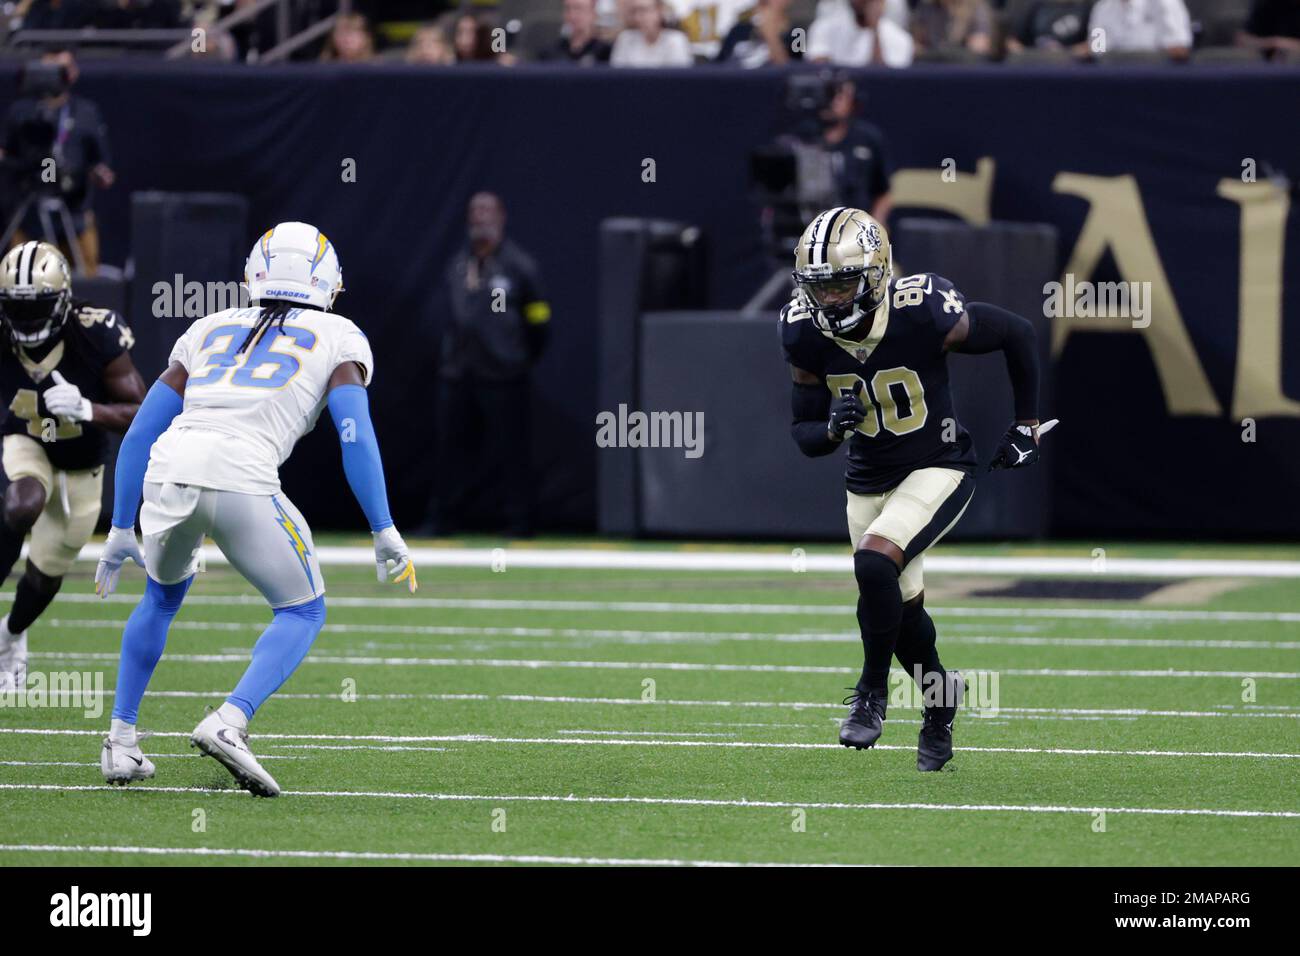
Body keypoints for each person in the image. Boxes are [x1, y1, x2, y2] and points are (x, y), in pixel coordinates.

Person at [93, 222, 417, 797]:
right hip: (241, 476)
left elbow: (142, 430)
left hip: (169, 472)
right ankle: (230, 720)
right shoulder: (339, 333)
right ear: (327, 282)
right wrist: (383, 526)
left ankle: (120, 743)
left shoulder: (209, 326)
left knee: (160, 599)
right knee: (303, 611)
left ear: (255, 274)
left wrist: (120, 523)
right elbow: (354, 432)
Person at [780, 207, 1047, 770]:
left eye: (842, 284)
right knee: (902, 620)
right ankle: (940, 699)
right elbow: (804, 436)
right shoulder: (802, 330)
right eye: (819, 288)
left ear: (876, 275)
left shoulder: (920, 310)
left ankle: (871, 694)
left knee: (875, 566)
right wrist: (832, 427)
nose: (829, 301)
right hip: (866, 481)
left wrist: (1026, 426)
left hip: (938, 464)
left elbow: (1017, 333)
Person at [0, 241, 144, 690]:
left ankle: (10, 637)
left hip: (83, 463)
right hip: (27, 441)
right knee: (22, 503)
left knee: (46, 571)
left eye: (36, 308)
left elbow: (141, 410)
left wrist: (89, 410)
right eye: (14, 308)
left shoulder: (96, 331)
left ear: (63, 300)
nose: (24, 321)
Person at [426, 193, 550, 538]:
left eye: (487, 210)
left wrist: (519, 357)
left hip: (503, 375)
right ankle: (443, 518)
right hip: (458, 373)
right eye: (474, 211)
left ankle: (520, 521)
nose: (480, 217)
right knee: (449, 449)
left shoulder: (519, 265)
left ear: (502, 216)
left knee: (512, 451)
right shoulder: (457, 264)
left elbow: (540, 320)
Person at [0, 50, 115, 276]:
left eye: (58, 70)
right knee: (20, 275)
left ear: (71, 74)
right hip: (28, 206)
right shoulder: (20, 112)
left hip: (74, 208)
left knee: (87, 279)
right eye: (46, 70)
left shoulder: (86, 112)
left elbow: (100, 163)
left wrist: (100, 173)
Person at [808, 0, 914, 66]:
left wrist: (875, 30)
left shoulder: (900, 39)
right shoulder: (824, 27)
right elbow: (818, 69)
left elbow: (886, 82)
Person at [1086, 0, 1191, 59]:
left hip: (1155, 75)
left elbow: (1180, 47)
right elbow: (1097, 48)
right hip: (1114, 74)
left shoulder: (1167, 3)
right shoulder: (1102, 7)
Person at [716, 0, 802, 66]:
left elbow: (796, 72)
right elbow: (719, 65)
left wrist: (770, 35)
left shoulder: (798, 33)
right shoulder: (739, 29)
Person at [611, 0, 695, 66]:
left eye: (644, 10)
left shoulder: (676, 40)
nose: (638, 17)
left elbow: (680, 79)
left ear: (659, 10)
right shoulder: (625, 39)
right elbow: (616, 77)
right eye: (635, 11)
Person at [539, 0, 614, 64]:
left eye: (578, 8)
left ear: (593, 13)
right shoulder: (550, 53)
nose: (572, 16)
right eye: (568, 9)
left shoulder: (606, 53)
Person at [910, 0, 993, 57]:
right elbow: (915, 46)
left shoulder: (975, 6)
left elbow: (979, 46)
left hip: (963, 67)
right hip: (932, 64)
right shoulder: (926, 7)